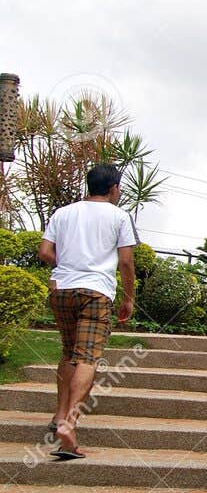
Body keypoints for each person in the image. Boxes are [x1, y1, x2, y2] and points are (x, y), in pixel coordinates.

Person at [37, 164, 136, 459]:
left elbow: (44, 251)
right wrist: (128, 298)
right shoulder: (119, 217)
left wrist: (67, 267)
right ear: (114, 188)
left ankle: (58, 415)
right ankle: (69, 424)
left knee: (68, 353)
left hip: (63, 290)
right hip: (96, 292)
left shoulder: (63, 213)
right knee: (87, 357)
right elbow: (127, 263)